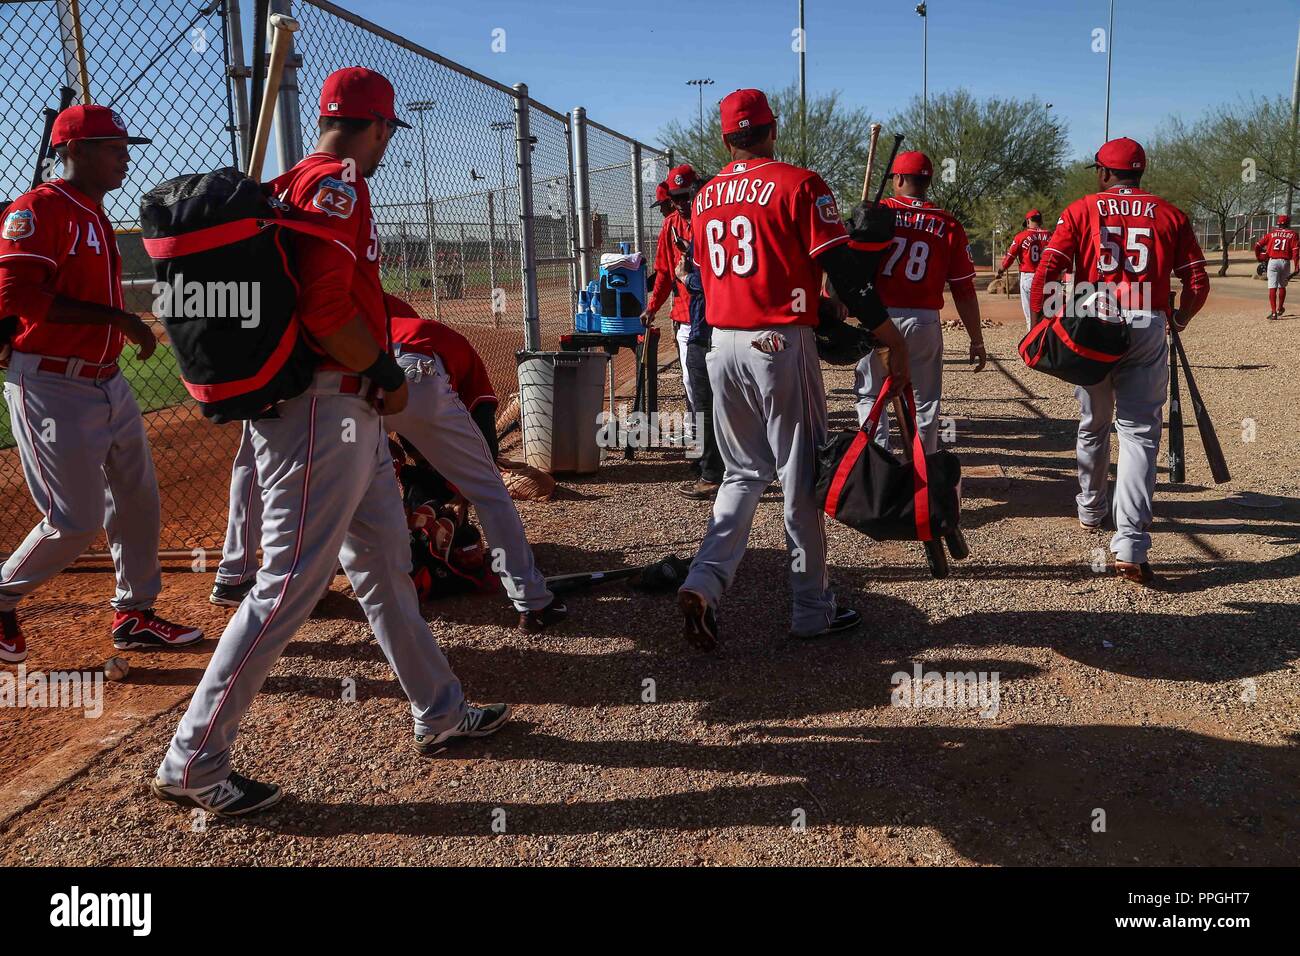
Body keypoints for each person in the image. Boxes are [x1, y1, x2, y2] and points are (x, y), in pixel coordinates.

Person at [154, 68, 511, 818]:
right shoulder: (337, 184)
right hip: (324, 407)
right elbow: (322, 307)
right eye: (388, 133)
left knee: (385, 563)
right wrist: (385, 371)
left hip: (335, 408)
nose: (385, 145)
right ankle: (193, 757)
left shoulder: (294, 181)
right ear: (378, 125)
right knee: (286, 584)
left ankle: (441, 710)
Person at [676, 88, 910, 649]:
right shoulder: (799, 183)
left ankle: (704, 581)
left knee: (741, 473)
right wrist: (886, 333)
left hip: (720, 345)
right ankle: (811, 608)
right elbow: (845, 270)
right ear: (771, 129)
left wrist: (814, 302)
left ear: (726, 136)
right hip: (777, 344)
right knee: (800, 476)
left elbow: (721, 274)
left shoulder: (706, 197)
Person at [0, 105, 202, 665]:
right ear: (77, 151)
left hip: (107, 382)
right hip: (51, 386)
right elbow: (14, 297)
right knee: (74, 520)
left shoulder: (92, 211)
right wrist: (117, 320)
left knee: (138, 501)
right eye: (114, 148)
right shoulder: (39, 210)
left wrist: (117, 329)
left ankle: (135, 612)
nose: (126, 157)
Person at [1030, 136, 1209, 584]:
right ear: (1140, 172)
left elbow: (1046, 273)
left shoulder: (1081, 208)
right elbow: (1198, 282)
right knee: (1140, 435)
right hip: (1149, 319)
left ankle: (1091, 510)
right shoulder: (1171, 213)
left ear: (1105, 173)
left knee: (1093, 422)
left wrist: (1041, 322)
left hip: (1095, 316)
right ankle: (1130, 543)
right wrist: (1181, 316)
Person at [853, 151, 986, 454]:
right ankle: (923, 472)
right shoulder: (947, 223)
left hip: (878, 317)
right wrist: (976, 340)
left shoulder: (877, 212)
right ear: (928, 182)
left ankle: (878, 469)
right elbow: (964, 289)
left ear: (898, 178)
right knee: (925, 402)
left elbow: (848, 268)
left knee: (870, 396)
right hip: (924, 320)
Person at [641, 164, 698, 451]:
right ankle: (698, 437)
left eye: (686, 195)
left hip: (720, 316)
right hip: (687, 315)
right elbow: (663, 273)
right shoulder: (670, 225)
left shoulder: (713, 215)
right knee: (690, 380)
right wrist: (652, 307)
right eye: (676, 198)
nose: (681, 203)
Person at [673, 193, 723, 499]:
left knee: (705, 406)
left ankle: (711, 474)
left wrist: (686, 276)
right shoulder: (717, 227)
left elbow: (711, 282)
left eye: (688, 200)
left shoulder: (708, 230)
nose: (683, 207)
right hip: (725, 331)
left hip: (706, 332)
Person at [994, 209, 1052, 331]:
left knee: (1031, 318)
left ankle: (1032, 345)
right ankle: (1047, 344)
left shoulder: (1021, 236)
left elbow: (1010, 257)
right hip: (1048, 278)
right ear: (1041, 220)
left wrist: (1001, 270)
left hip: (1029, 277)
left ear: (1027, 221)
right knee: (1048, 315)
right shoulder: (1050, 235)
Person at [1253, 214, 1298, 319]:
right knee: (1282, 286)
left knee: (1272, 287)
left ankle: (1273, 313)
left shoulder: (1271, 234)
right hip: (1285, 262)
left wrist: (1259, 257)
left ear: (1278, 224)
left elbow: (1257, 245)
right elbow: (1296, 252)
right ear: (1288, 224)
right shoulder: (1293, 234)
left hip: (1273, 262)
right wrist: (1296, 266)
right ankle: (1280, 308)